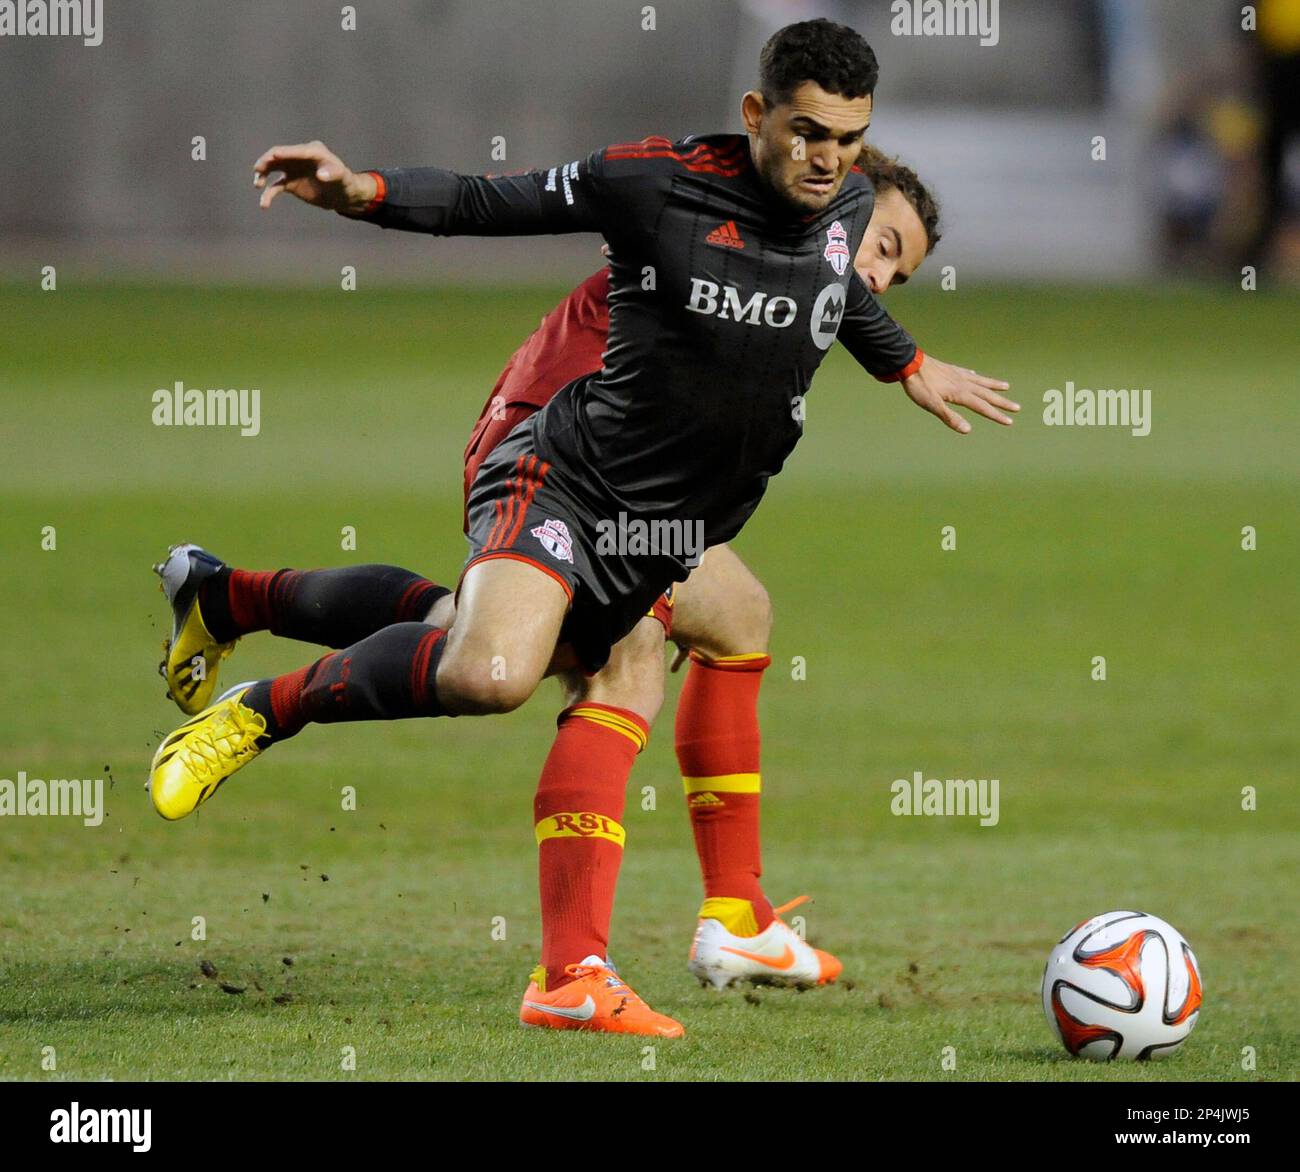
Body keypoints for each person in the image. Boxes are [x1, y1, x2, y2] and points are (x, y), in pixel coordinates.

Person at [150, 20, 1014, 1037]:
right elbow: (485, 202)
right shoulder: (667, 193)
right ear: (761, 118)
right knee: (535, 660)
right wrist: (358, 192)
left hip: (654, 500)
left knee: (714, 615)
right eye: (885, 256)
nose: (876, 273)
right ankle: (275, 715)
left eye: (897, 272)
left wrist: (907, 363)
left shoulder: (835, 217)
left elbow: (838, 291)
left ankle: (227, 595)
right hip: (550, 442)